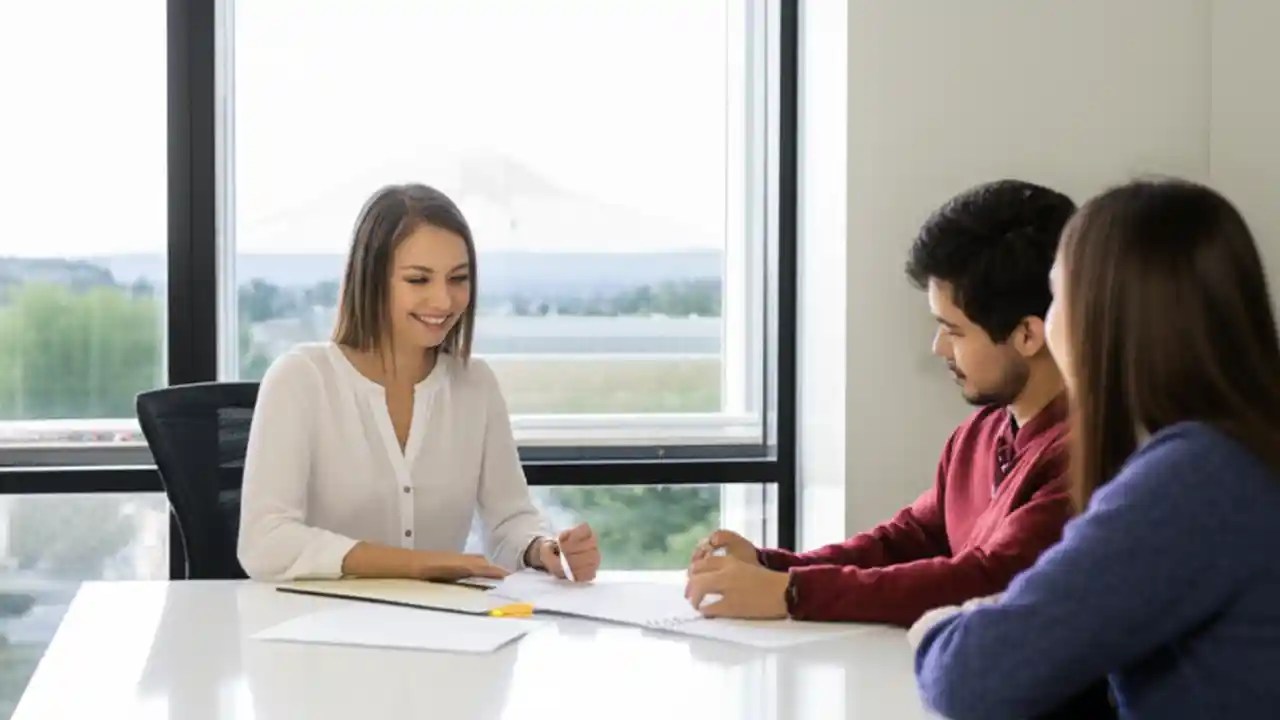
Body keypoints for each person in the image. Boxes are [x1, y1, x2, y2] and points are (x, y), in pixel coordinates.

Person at [913, 179, 1280, 720]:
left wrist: (937, 628)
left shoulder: (1193, 477)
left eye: (1057, 296)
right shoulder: (1242, 451)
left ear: (1102, 316)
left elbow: (974, 678)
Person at [685, 179, 1077, 626]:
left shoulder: (1088, 455)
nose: (938, 348)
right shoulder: (979, 435)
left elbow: (989, 580)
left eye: (954, 331)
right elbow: (909, 541)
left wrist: (791, 593)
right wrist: (770, 566)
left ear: (1028, 334)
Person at [237, 183, 601, 583]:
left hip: (439, 631)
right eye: (418, 280)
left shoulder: (475, 385)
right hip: (311, 632)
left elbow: (509, 523)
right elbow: (264, 542)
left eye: (458, 279)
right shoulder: (300, 379)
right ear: (372, 279)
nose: (444, 301)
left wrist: (542, 550)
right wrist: (421, 564)